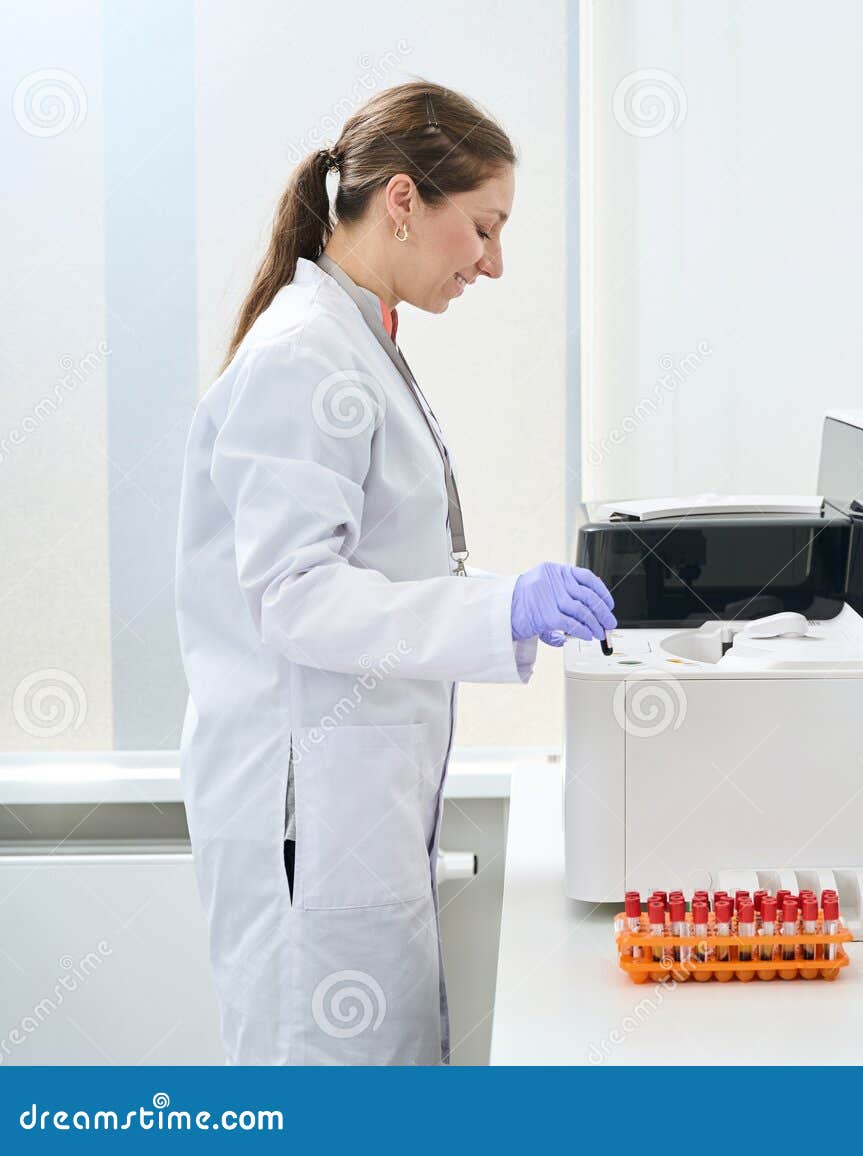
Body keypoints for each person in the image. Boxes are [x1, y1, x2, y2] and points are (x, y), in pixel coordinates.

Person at [174, 81, 615, 1064]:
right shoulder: (306, 356)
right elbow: (295, 598)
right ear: (406, 200)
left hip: (355, 810)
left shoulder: (356, 342)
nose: (494, 264)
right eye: (485, 227)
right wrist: (501, 606)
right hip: (310, 822)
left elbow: (375, 565)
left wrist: (495, 603)